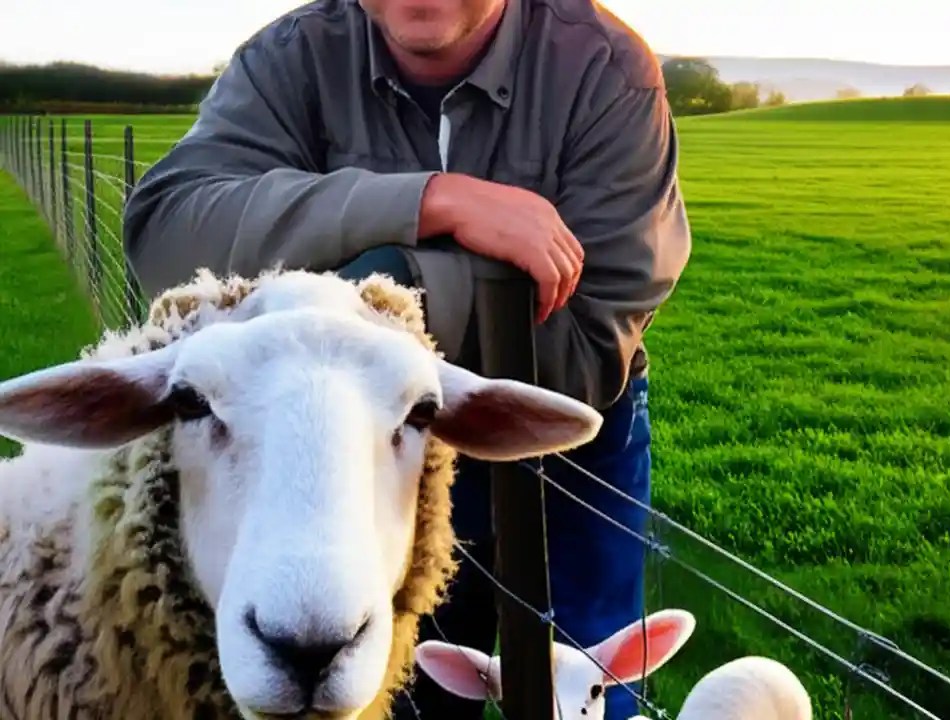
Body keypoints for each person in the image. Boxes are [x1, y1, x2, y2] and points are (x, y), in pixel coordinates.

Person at [120, 0, 692, 718]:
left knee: (581, 683)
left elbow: (585, 343)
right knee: (402, 690)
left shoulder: (605, 69)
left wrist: (393, 284)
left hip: (564, 440)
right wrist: (427, 204)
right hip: (355, 452)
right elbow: (168, 232)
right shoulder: (293, 59)